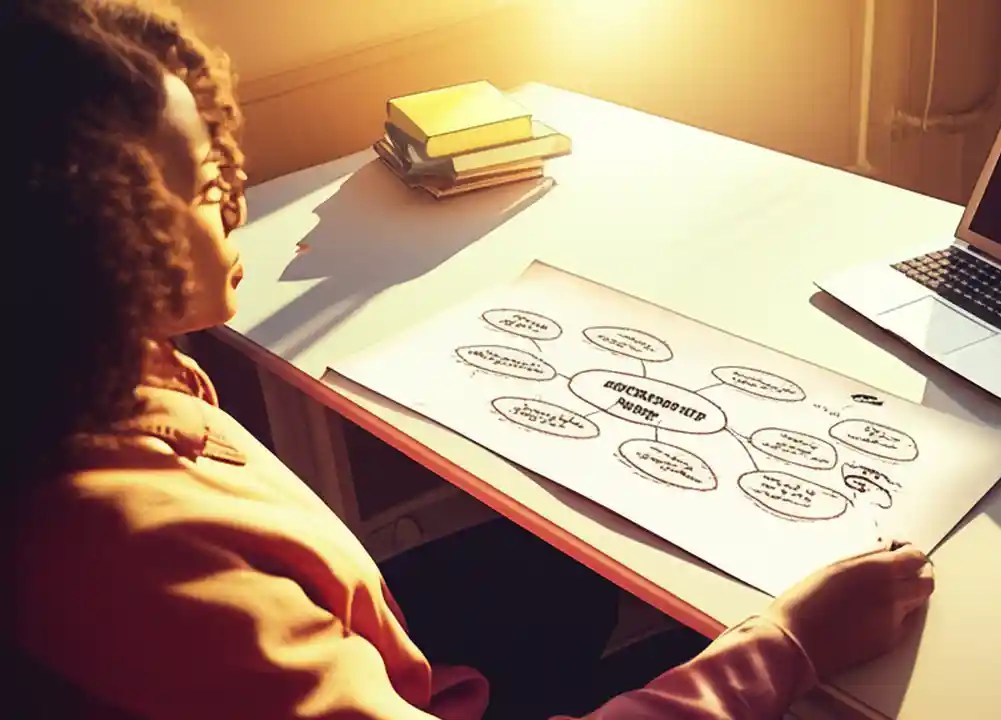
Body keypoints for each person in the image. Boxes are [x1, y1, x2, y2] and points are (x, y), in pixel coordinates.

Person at [1, 1, 936, 718]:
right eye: (205, 187)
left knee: (562, 563)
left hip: (392, 659)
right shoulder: (125, 555)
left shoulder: (98, 377)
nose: (236, 204)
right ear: (84, 244)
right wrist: (788, 641)